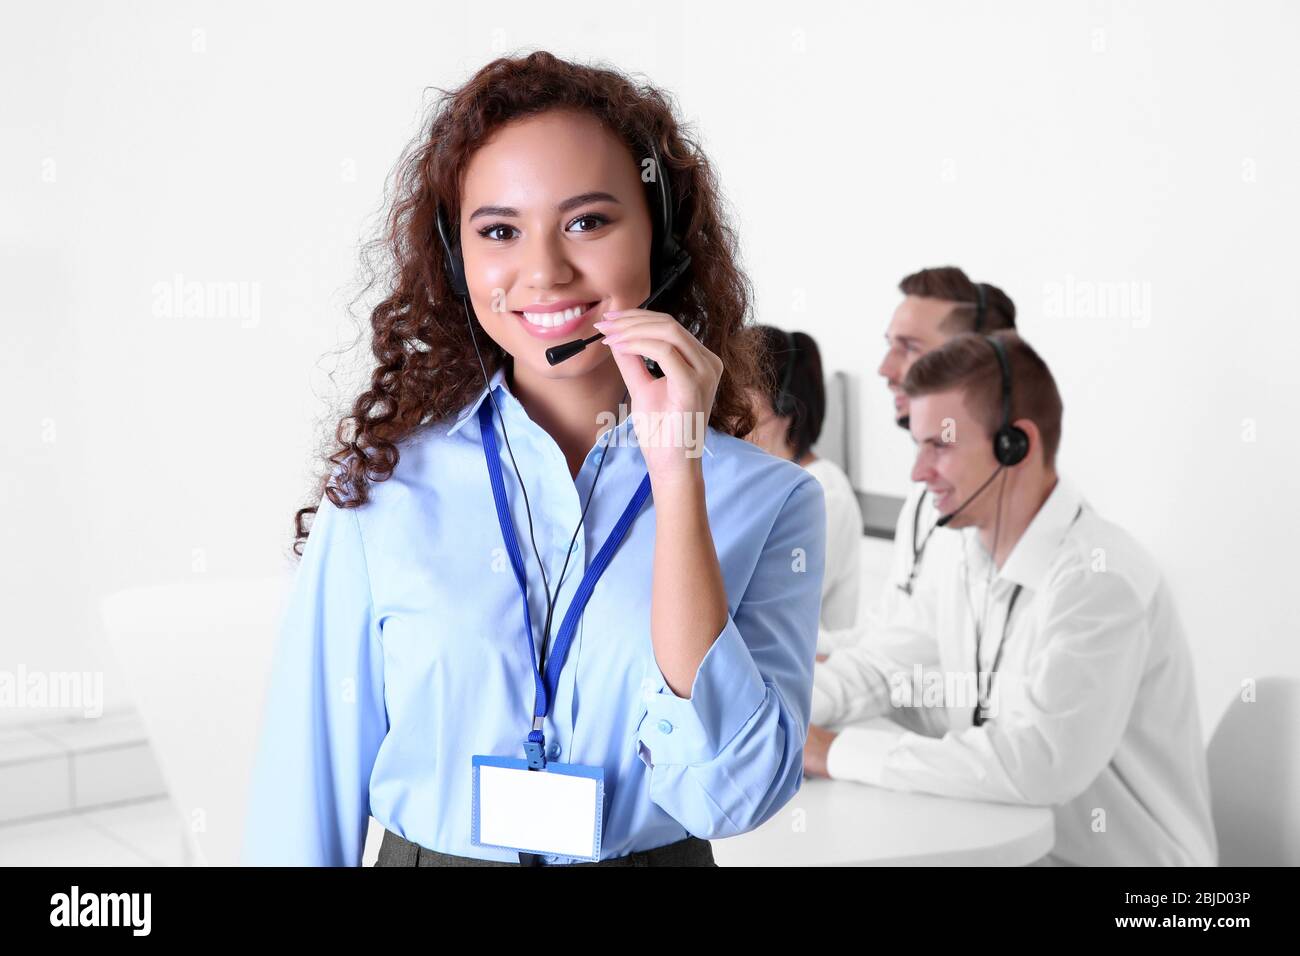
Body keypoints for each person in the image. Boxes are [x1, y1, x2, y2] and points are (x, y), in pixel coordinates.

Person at [241, 51, 826, 867]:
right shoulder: (383, 488)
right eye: (500, 231)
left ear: (660, 242)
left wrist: (678, 473)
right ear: (456, 259)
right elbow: (306, 784)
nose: (545, 272)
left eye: (589, 221)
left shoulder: (767, 498)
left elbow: (732, 795)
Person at [803, 331, 1217, 866]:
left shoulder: (1098, 579)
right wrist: (780, 714)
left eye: (941, 445)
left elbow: (1041, 760)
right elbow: (887, 668)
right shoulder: (963, 558)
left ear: (1015, 446)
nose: (917, 472)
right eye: (917, 445)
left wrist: (834, 751)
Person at [818, 267, 1016, 661]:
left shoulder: (1007, 513)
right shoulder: (925, 494)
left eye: (910, 348)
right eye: (890, 345)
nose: (885, 370)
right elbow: (886, 633)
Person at [745, 325, 861, 632]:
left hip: (813, 668)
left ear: (786, 411)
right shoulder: (762, 481)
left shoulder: (824, 493)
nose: (734, 432)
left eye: (746, 419)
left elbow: (770, 607)